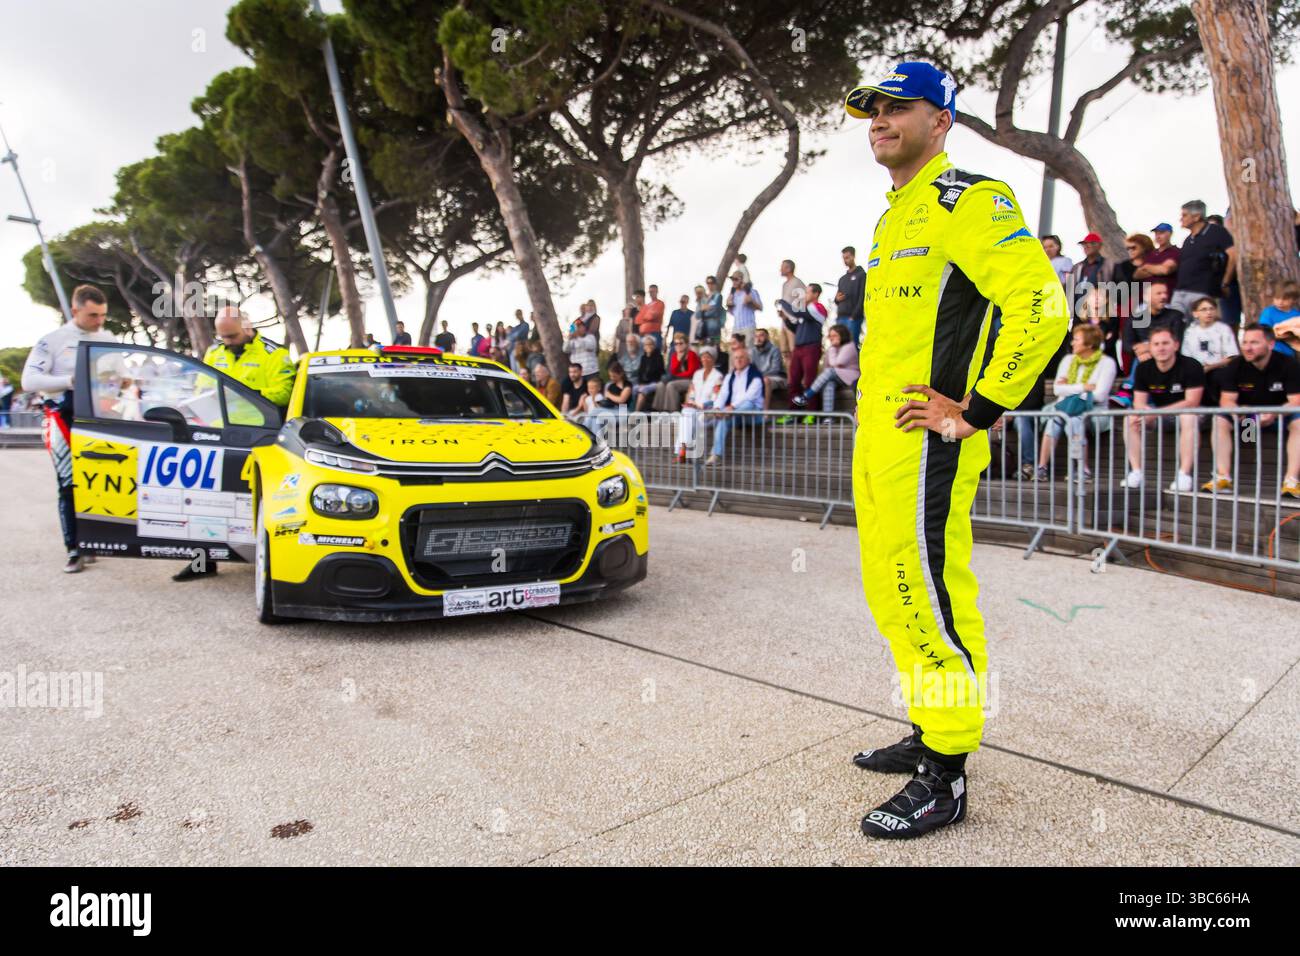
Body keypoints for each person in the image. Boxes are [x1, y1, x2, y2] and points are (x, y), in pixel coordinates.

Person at [842, 61, 1070, 839]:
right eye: (872, 108)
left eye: (897, 106)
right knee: (891, 588)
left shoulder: (970, 199)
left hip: (928, 443)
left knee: (927, 590)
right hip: (876, 439)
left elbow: (1041, 305)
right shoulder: (892, 216)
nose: (879, 118)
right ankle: (932, 723)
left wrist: (979, 409)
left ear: (940, 121)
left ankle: (945, 774)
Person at [185, 305, 297, 582]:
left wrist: (245, 396)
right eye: (223, 337)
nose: (228, 342)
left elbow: (284, 394)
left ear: (247, 328)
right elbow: (201, 386)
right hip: (217, 432)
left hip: (256, 436)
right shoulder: (214, 353)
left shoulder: (275, 355)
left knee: (250, 500)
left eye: (232, 336)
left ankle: (260, 560)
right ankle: (202, 562)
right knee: (207, 501)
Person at [21, 284, 116, 574]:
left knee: (100, 480)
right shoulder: (53, 340)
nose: (98, 321)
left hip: (100, 418)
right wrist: (70, 381)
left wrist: (121, 381)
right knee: (68, 482)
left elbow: (122, 375)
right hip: (62, 418)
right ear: (75, 311)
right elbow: (29, 381)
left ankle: (95, 540)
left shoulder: (109, 338)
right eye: (92, 315)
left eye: (102, 315)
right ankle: (73, 548)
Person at [1203, 324, 1300, 497]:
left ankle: (1291, 481)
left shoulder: (1288, 364)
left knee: (1299, 420)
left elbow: (1296, 401)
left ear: (1270, 344)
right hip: (1249, 421)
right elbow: (1227, 400)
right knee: (1220, 419)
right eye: (1245, 342)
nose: (1247, 347)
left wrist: (1274, 414)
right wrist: (1238, 412)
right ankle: (1223, 478)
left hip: (1279, 418)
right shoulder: (1236, 365)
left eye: (1254, 342)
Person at [1124, 326, 1205, 492]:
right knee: (1130, 418)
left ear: (1176, 345)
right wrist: (1146, 411)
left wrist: (1156, 413)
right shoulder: (1143, 368)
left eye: (1165, 343)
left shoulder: (1191, 365)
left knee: (1188, 416)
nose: (1161, 348)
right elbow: (1139, 402)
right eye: (1156, 344)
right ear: (1150, 348)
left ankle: (1184, 474)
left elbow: (1192, 402)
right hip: (1161, 415)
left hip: (1198, 414)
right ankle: (1136, 472)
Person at [1035, 324, 1117, 482]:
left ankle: (1083, 469)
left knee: (1074, 420)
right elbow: (1058, 390)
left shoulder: (1107, 363)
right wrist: (1084, 387)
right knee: (1055, 420)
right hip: (1064, 407)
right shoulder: (1068, 360)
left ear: (1089, 344)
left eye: (1076, 340)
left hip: (1094, 410)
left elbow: (1099, 395)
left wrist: (1070, 388)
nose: (1072, 343)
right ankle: (1042, 468)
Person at [1171, 199, 1236, 317]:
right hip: (1180, 292)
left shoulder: (1216, 232)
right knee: (1174, 327)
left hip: (1203, 292)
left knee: (1203, 330)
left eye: (1184, 215)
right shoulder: (1187, 239)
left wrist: (1225, 282)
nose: (1181, 219)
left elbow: (1233, 255)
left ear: (1196, 217)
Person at [704, 338, 764, 465]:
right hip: (733, 414)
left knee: (747, 404)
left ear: (748, 359)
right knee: (723, 419)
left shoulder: (756, 376)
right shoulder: (730, 376)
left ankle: (716, 418)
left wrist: (731, 407)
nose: (738, 360)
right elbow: (722, 394)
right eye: (736, 358)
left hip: (752, 415)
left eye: (742, 357)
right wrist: (717, 408)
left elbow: (749, 396)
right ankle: (716, 455)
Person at [1181, 296, 1239, 408]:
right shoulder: (1190, 331)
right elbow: (1185, 357)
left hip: (1219, 370)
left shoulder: (1224, 329)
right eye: (1204, 309)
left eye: (1211, 309)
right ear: (1195, 313)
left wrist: (1210, 367)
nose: (1209, 312)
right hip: (1195, 371)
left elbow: (1231, 357)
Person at [778, 283, 827, 406]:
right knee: (793, 381)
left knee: (810, 381)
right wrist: (785, 319)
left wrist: (783, 302)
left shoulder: (818, 307)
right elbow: (796, 329)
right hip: (798, 348)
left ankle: (812, 412)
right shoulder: (806, 310)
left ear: (816, 294)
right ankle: (794, 412)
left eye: (808, 292)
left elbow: (798, 313)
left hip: (811, 347)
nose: (805, 295)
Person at [792, 323, 858, 412]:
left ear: (842, 335)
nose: (831, 338)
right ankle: (829, 417)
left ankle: (806, 395)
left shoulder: (849, 346)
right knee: (828, 384)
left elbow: (835, 363)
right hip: (836, 377)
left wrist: (833, 348)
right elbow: (826, 366)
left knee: (830, 371)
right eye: (830, 336)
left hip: (850, 377)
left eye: (834, 335)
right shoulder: (832, 348)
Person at [1123, 282, 1185, 369]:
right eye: (1159, 293)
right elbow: (1126, 345)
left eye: (1165, 293)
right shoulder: (1135, 318)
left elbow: (1177, 343)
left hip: (1170, 359)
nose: (1164, 296)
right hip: (1143, 359)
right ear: (1146, 297)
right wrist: (1141, 352)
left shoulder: (1176, 316)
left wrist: (1149, 348)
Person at [676, 346, 722, 461]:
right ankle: (683, 450)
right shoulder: (697, 374)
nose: (705, 360)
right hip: (694, 409)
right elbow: (691, 392)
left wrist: (700, 406)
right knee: (686, 412)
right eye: (703, 357)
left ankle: (683, 450)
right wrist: (690, 403)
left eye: (708, 357)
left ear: (713, 359)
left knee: (690, 417)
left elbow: (716, 399)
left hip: (708, 411)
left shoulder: (718, 376)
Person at [1068, 233, 1116, 313]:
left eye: (1092, 243)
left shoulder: (1109, 265)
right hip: (1078, 311)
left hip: (1100, 312)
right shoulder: (1076, 267)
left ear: (1100, 246)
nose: (1087, 246)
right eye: (1084, 244)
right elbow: (1069, 289)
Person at [654, 333, 701, 413]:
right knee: (660, 385)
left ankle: (672, 412)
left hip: (691, 380)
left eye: (681, 343)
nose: (678, 345)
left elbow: (691, 373)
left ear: (686, 344)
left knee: (671, 385)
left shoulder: (691, 355)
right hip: (678, 380)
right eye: (676, 344)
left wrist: (676, 376)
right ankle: (659, 411)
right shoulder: (674, 355)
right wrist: (678, 360)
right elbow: (673, 371)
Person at [585, 361, 632, 438]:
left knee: (594, 411)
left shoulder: (627, 385)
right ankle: (597, 442)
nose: (611, 378)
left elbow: (622, 400)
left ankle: (582, 428)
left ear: (620, 374)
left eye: (614, 376)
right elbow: (607, 400)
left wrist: (609, 395)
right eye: (610, 376)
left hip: (622, 412)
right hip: (610, 410)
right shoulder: (610, 386)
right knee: (595, 419)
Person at [1137, 223, 1179, 299]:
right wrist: (1157, 269)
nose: (1158, 236)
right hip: (1144, 299)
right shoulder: (1150, 254)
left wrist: (1147, 267)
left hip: (1164, 299)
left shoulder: (1175, 252)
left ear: (1170, 234)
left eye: (1162, 233)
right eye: (1156, 233)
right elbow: (1137, 274)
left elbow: (1165, 270)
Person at [1258, 281, 1300, 358]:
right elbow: (1264, 330)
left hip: (1289, 354)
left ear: (1294, 299)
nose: (1280, 302)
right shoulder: (1269, 312)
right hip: (1271, 352)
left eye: (1285, 299)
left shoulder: (1296, 315)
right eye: (1277, 298)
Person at [835, 247, 867, 347]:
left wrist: (854, 316)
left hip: (853, 317)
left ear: (853, 256)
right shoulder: (842, 279)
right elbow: (836, 299)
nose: (845, 260)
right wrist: (837, 299)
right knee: (839, 346)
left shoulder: (862, 275)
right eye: (844, 258)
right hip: (840, 317)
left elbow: (862, 297)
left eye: (847, 257)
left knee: (851, 346)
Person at [778, 259, 807, 359]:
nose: (780, 269)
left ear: (789, 268)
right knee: (785, 352)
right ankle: (790, 375)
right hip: (784, 322)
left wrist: (795, 319)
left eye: (782, 267)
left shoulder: (797, 283)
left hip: (793, 323)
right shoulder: (784, 285)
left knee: (794, 351)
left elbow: (803, 303)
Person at [749, 327, 786, 407]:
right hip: (760, 377)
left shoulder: (775, 350)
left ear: (767, 337)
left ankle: (765, 413)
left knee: (765, 381)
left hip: (777, 377)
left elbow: (775, 370)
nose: (758, 339)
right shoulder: (753, 351)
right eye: (756, 336)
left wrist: (758, 376)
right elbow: (751, 368)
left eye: (761, 336)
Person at [725, 272, 762, 348]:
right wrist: (729, 306)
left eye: (736, 279)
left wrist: (751, 301)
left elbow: (760, 307)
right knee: (734, 350)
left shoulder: (752, 291)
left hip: (748, 326)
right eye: (732, 279)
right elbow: (731, 311)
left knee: (749, 351)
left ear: (742, 280)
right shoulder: (732, 294)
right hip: (736, 327)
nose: (734, 282)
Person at [631, 335, 666, 411]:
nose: (648, 346)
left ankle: (635, 414)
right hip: (643, 383)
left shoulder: (659, 357)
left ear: (654, 345)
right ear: (643, 346)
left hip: (655, 383)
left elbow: (659, 372)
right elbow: (640, 372)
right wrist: (640, 383)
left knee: (642, 390)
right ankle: (629, 410)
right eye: (646, 344)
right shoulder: (643, 358)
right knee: (633, 389)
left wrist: (645, 383)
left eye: (651, 344)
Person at [634, 286, 665, 352]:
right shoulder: (647, 306)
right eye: (650, 292)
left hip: (655, 333)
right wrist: (648, 315)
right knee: (644, 356)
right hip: (643, 335)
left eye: (653, 291)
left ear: (657, 292)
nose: (651, 293)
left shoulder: (660, 303)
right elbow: (637, 320)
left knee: (655, 354)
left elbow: (653, 316)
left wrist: (645, 317)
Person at [697, 277, 724, 344]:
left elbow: (715, 311)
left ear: (715, 284)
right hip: (703, 327)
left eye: (711, 283)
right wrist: (707, 308)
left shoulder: (718, 296)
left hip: (714, 326)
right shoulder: (703, 298)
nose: (710, 285)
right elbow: (698, 314)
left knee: (714, 348)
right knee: (703, 349)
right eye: (708, 283)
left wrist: (704, 310)